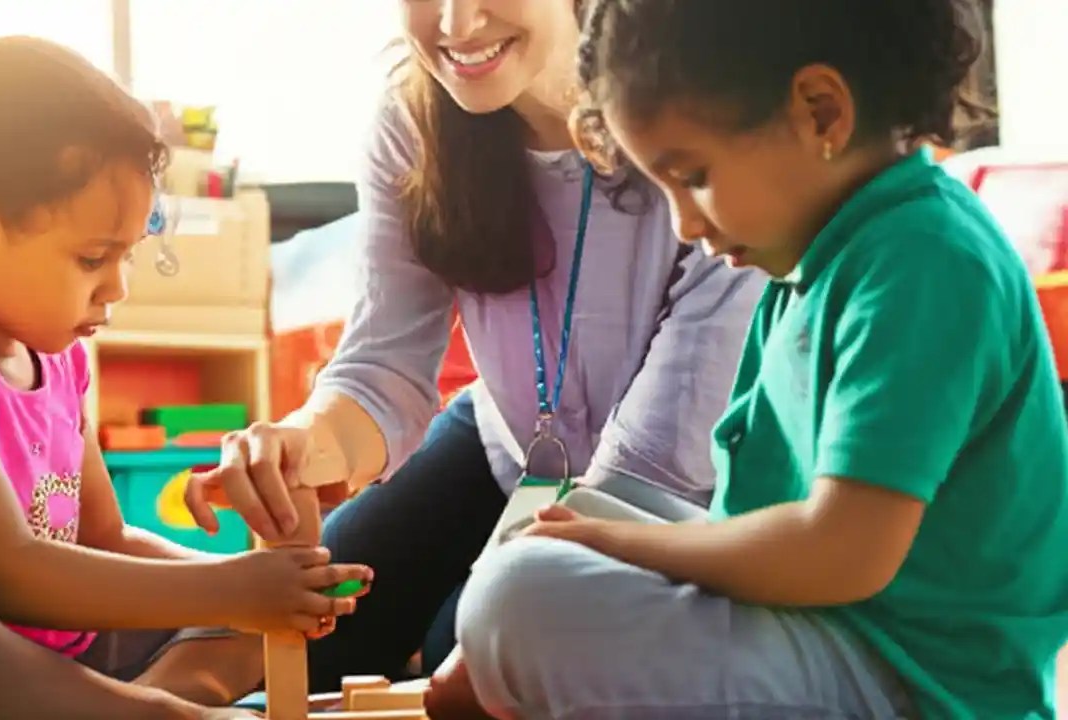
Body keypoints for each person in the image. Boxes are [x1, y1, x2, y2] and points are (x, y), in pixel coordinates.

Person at [442, 0, 1068, 718]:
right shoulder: (823, 258)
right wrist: (603, 537)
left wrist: (623, 547)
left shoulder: (923, 261)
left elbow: (841, 554)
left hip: (910, 681)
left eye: (694, 176)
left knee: (518, 596)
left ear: (821, 113)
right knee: (569, 518)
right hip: (834, 626)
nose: (686, 224)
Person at [0, 2, 372, 719]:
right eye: (93, 258)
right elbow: (8, 571)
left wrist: (258, 584)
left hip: (54, 679)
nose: (117, 287)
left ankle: (154, 706)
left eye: (126, 256)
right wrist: (228, 589)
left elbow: (106, 538)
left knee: (248, 627)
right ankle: (158, 714)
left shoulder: (60, 362)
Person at [185, 0, 764, 692]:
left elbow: (658, 460)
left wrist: (501, 606)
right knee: (309, 619)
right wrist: (303, 444)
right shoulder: (413, 123)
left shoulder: (710, 117)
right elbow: (380, 370)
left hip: (682, 494)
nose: (457, 25)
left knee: (466, 651)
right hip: (510, 443)